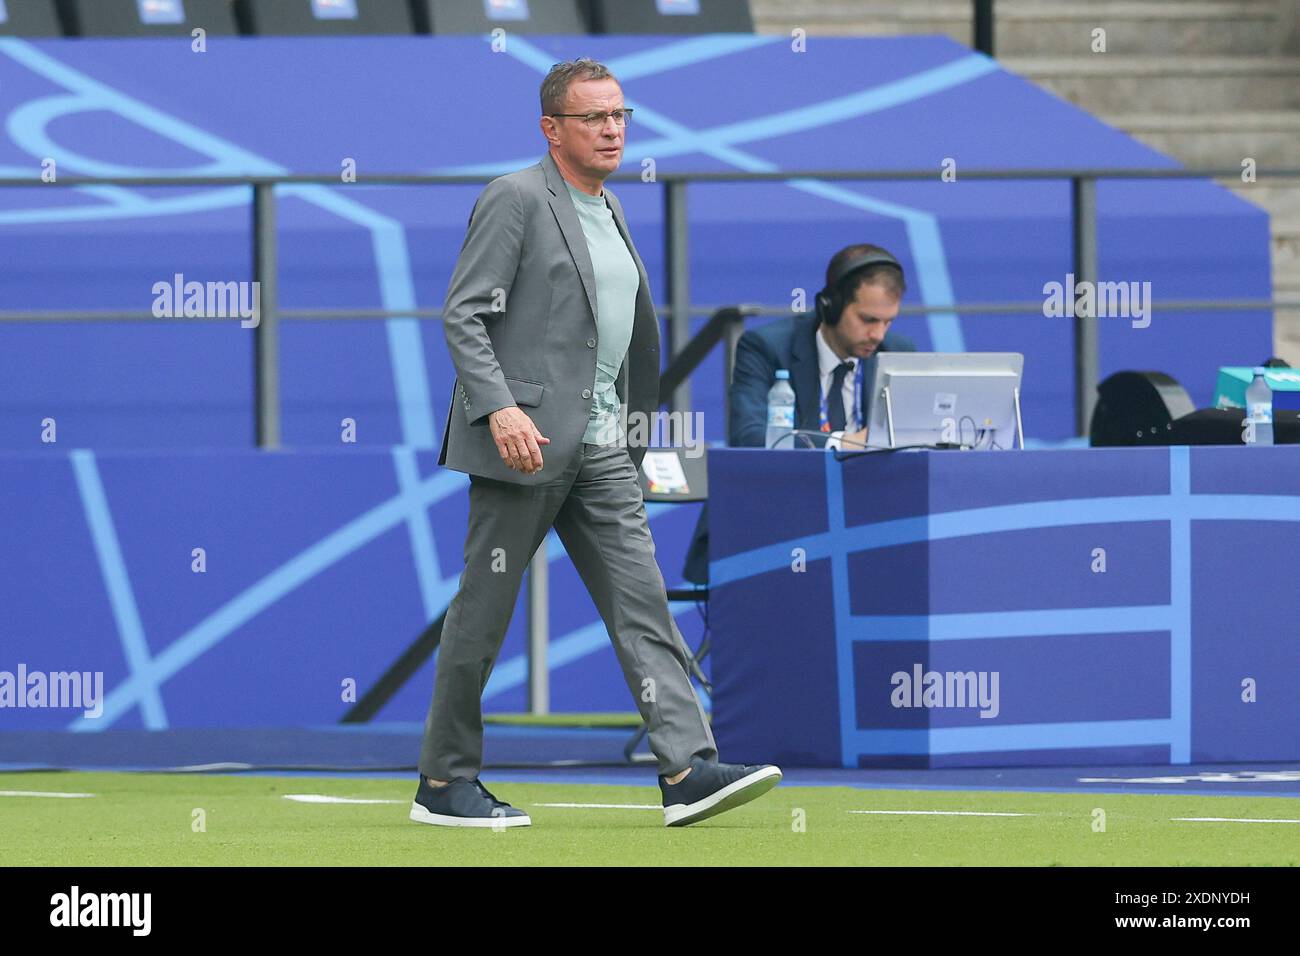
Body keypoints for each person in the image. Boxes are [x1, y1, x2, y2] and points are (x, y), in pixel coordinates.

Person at [412, 57, 782, 830]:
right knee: (483, 616)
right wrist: (501, 410)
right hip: (525, 445)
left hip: (604, 447)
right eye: (594, 118)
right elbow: (464, 315)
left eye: (620, 116)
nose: (613, 130)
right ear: (552, 129)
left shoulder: (608, 205)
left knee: (643, 604)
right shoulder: (515, 197)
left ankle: (686, 767)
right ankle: (444, 782)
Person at [682, 245, 916, 584]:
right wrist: (844, 443)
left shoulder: (896, 353)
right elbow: (750, 438)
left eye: (888, 321)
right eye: (868, 320)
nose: (878, 335)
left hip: (863, 518)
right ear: (830, 305)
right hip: (777, 514)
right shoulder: (766, 348)